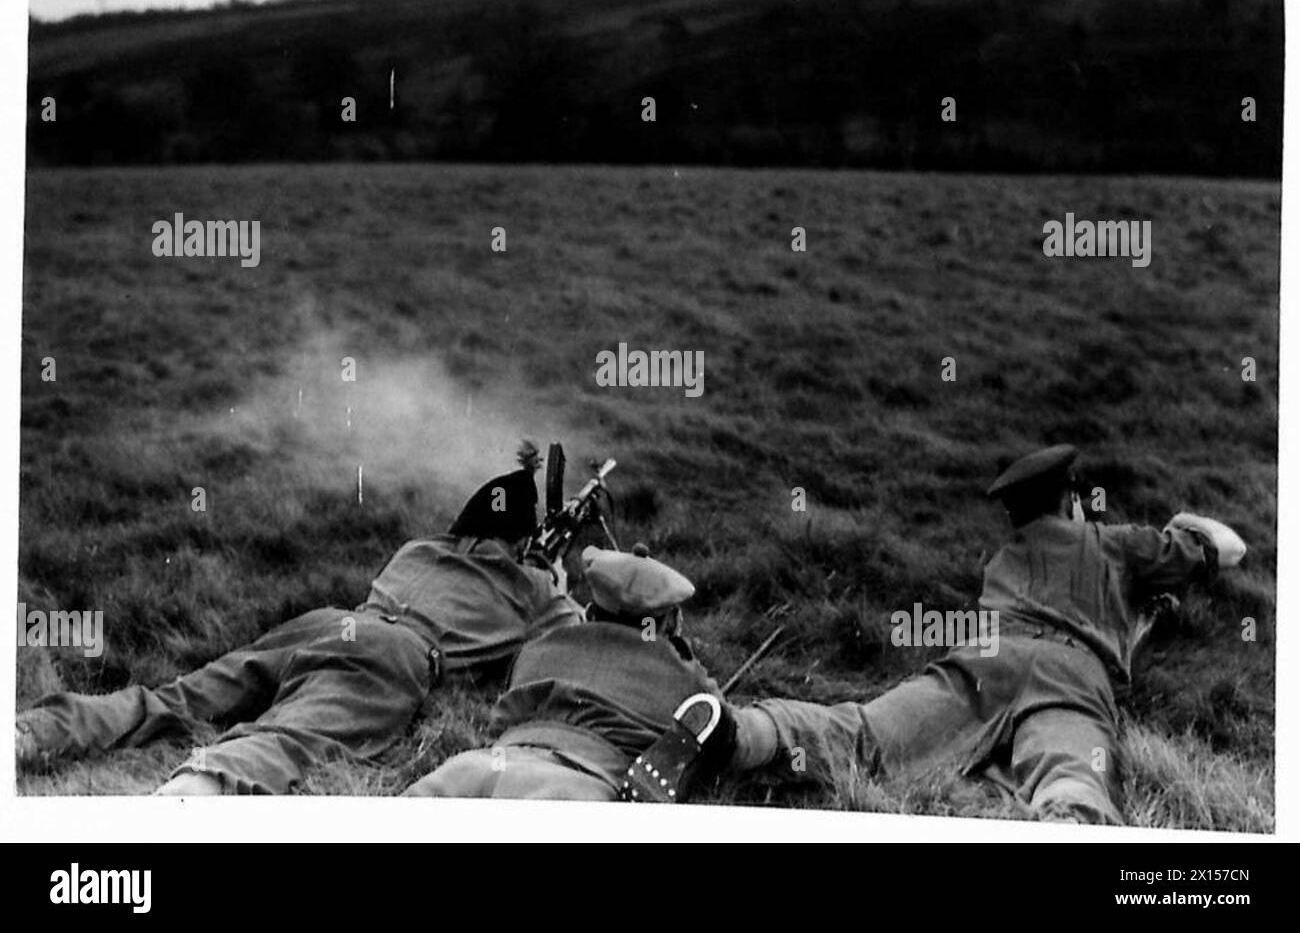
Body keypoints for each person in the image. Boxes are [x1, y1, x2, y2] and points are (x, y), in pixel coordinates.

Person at [721, 444, 1246, 824]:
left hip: (983, 660)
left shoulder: (1003, 562)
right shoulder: (1113, 541)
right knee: (1069, 771)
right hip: (1069, 678)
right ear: (1071, 501)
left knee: (867, 733)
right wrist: (1185, 525)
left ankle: (742, 731)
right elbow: (1230, 548)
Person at [16, 461, 583, 794]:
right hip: (394, 653)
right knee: (293, 736)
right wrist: (552, 581)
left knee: (179, 697)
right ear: (520, 545)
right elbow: (572, 638)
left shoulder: (417, 549)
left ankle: (36, 731)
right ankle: (191, 794)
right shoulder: (531, 587)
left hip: (329, 624)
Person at [403, 544, 727, 801]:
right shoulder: (685, 676)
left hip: (477, 765)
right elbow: (733, 734)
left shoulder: (536, 649)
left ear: (590, 611)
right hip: (574, 784)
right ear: (670, 622)